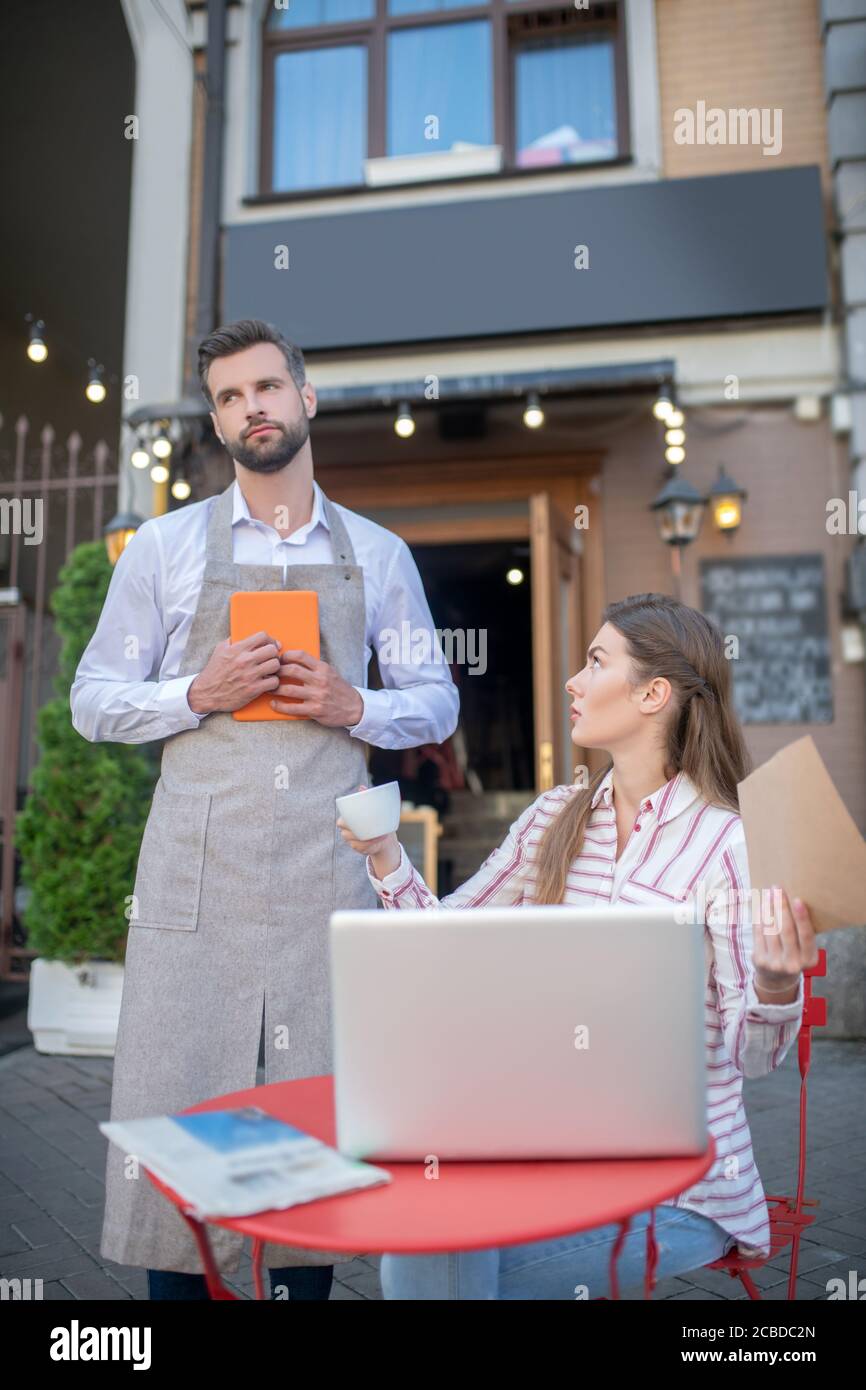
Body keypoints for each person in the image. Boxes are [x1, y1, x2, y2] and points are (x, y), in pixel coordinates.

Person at [71, 318, 459, 1300]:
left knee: (310, 1138)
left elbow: (439, 696)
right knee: (186, 1136)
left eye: (267, 388)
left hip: (323, 876)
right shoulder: (160, 549)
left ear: (306, 397)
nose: (254, 408)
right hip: (195, 882)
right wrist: (190, 694)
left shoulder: (377, 553)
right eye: (232, 397)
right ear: (216, 418)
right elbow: (91, 698)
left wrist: (353, 704)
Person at [338, 593, 818, 1300]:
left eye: (596, 661)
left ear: (654, 693)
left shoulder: (728, 842)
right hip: (545, 1151)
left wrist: (777, 983)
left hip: (687, 1185)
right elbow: (437, 943)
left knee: (443, 1266)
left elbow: (756, 1056)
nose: (572, 680)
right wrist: (383, 855)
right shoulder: (553, 818)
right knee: (428, 1244)